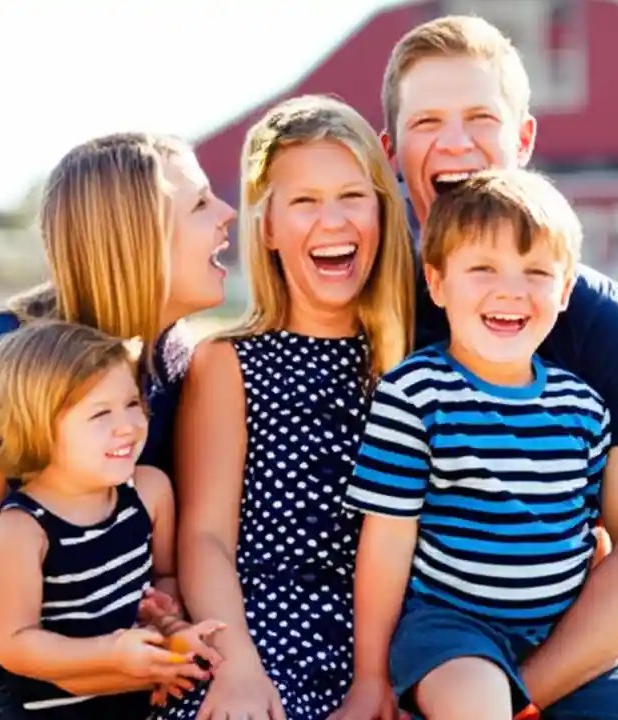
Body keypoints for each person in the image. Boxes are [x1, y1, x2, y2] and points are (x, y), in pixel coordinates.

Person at [339, 14, 618, 719]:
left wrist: (528, 694)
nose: (456, 142)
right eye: (428, 121)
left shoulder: (604, 327)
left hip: (564, 640)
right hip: (434, 641)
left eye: (480, 117)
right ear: (390, 150)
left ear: (523, 139)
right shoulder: (358, 310)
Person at [0, 132, 237, 719]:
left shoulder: (171, 357)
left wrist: (162, 639)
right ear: (137, 239)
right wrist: (73, 670)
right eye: (199, 204)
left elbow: (153, 555)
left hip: (126, 663)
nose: (226, 214)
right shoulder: (4, 353)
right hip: (5, 679)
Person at [157, 94, 415, 720]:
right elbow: (207, 538)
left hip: (397, 652)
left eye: (353, 196)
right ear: (267, 227)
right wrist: (240, 667)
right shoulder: (229, 364)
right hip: (264, 641)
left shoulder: (415, 363)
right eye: (304, 202)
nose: (333, 221)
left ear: (381, 212)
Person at [0, 319, 225, 717]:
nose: (127, 426)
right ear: (39, 429)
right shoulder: (23, 529)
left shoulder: (149, 493)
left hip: (144, 705)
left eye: (132, 404)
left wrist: (169, 629)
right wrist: (109, 654)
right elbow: (13, 643)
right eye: (100, 414)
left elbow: (166, 579)